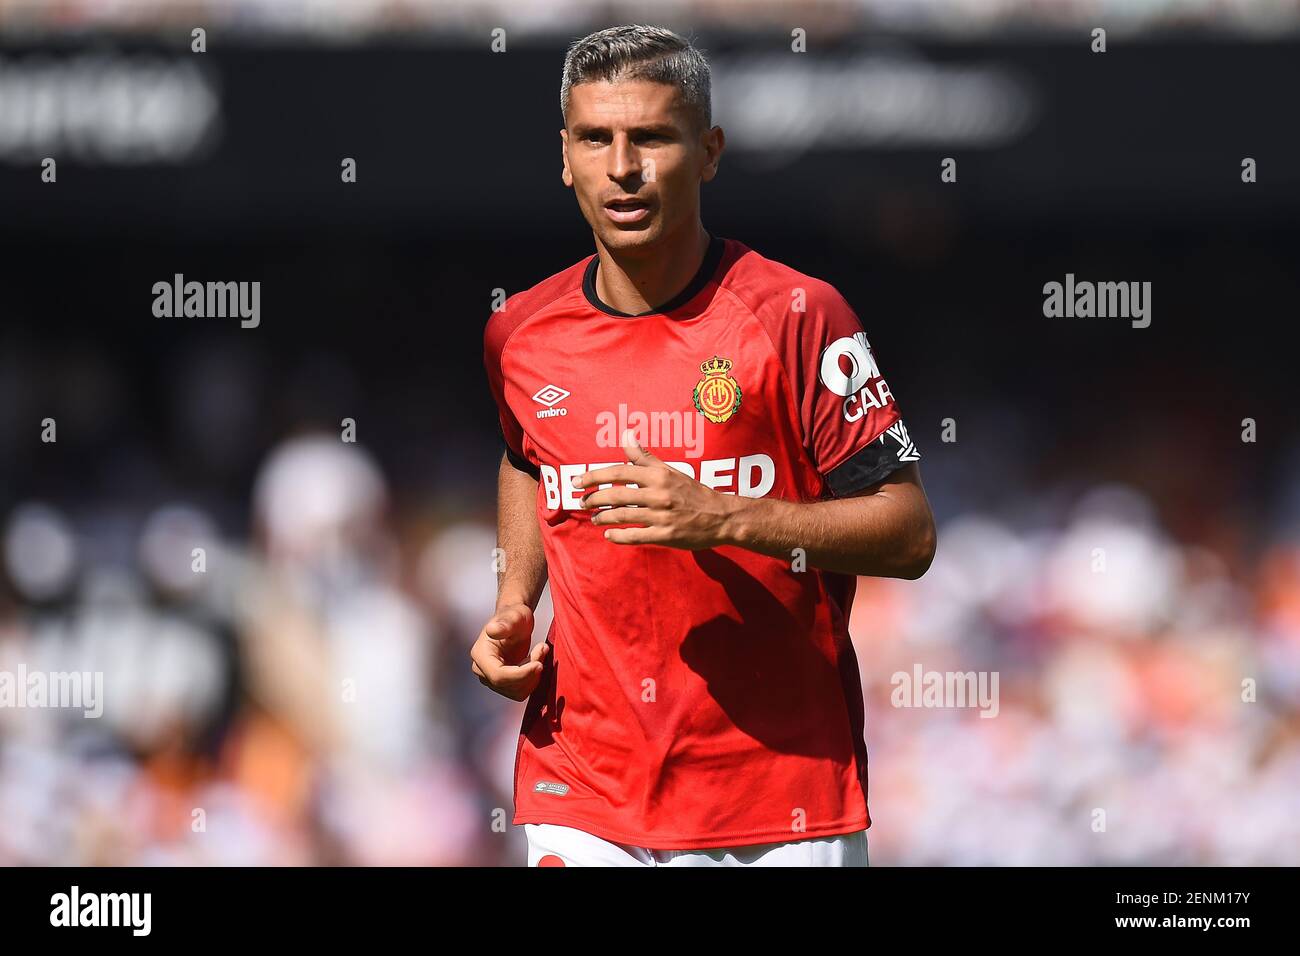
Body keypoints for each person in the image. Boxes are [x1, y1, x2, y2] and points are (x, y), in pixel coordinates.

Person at [475, 24, 936, 867]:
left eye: (651, 137)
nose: (622, 167)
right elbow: (524, 461)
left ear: (710, 150)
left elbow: (908, 533)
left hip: (777, 801)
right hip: (582, 788)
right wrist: (515, 597)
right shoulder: (521, 332)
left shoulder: (799, 316)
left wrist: (726, 515)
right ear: (566, 155)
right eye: (596, 139)